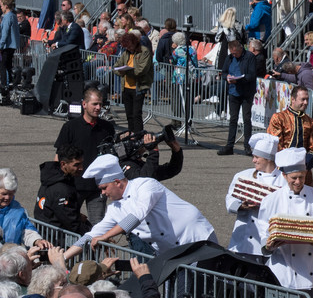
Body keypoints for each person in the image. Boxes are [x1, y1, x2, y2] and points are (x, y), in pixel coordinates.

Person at [64, 153, 216, 259]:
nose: (103, 194)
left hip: (195, 235)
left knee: (214, 283)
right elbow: (92, 234)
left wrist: (106, 236)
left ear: (117, 182)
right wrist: (64, 257)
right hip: (171, 250)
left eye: (104, 188)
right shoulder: (114, 208)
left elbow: (138, 214)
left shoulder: (146, 184)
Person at [256, 148, 313, 295]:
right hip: (283, 272)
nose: (298, 182)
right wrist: (268, 244)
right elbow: (263, 231)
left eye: (302, 177)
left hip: (312, 273)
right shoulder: (271, 200)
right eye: (294, 178)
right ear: (284, 175)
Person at [55, 84, 116, 225]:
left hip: (98, 186)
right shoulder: (70, 127)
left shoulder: (107, 128)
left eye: (100, 104)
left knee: (98, 225)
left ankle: (95, 247)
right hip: (74, 185)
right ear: (84, 104)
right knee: (70, 222)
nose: (98, 108)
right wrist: (60, 182)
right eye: (94, 104)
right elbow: (59, 156)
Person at [227, 133, 282, 255]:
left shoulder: (282, 181)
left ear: (268, 159)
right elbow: (230, 198)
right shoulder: (243, 175)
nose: (253, 160)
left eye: (257, 157)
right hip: (242, 242)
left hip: (266, 243)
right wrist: (241, 206)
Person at [219, 37, 261, 157]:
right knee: (233, 119)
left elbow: (252, 75)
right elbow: (224, 72)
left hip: (246, 92)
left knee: (246, 118)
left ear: (240, 49)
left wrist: (239, 79)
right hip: (233, 92)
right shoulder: (230, 58)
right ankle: (229, 145)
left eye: (236, 53)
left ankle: (247, 146)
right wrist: (227, 77)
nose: (234, 55)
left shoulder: (250, 57)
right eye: (232, 53)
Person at [36, 144, 89, 233]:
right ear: (63, 164)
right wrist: (92, 236)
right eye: (76, 165)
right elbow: (71, 222)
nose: (81, 168)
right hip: (58, 240)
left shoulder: (51, 178)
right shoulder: (61, 189)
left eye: (82, 163)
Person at [268, 87, 313, 177]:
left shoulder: (310, 122)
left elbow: (312, 148)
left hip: (303, 170)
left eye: (307, 99)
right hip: (282, 169)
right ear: (293, 99)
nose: (306, 103)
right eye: (303, 99)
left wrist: (306, 164)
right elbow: (275, 146)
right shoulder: (279, 118)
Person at [114, 32, 155, 135]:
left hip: (138, 87)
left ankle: (138, 135)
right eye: (127, 47)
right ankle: (131, 133)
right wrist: (120, 71)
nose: (129, 49)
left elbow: (141, 70)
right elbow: (116, 66)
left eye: (130, 46)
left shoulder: (144, 52)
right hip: (126, 86)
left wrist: (126, 71)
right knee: (129, 114)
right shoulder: (126, 52)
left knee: (136, 114)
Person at [0, 169, 45, 248]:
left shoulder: (17, 210)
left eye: (11, 194)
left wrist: (37, 240)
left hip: (10, 256)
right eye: (4, 194)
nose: (7, 197)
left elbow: (26, 230)